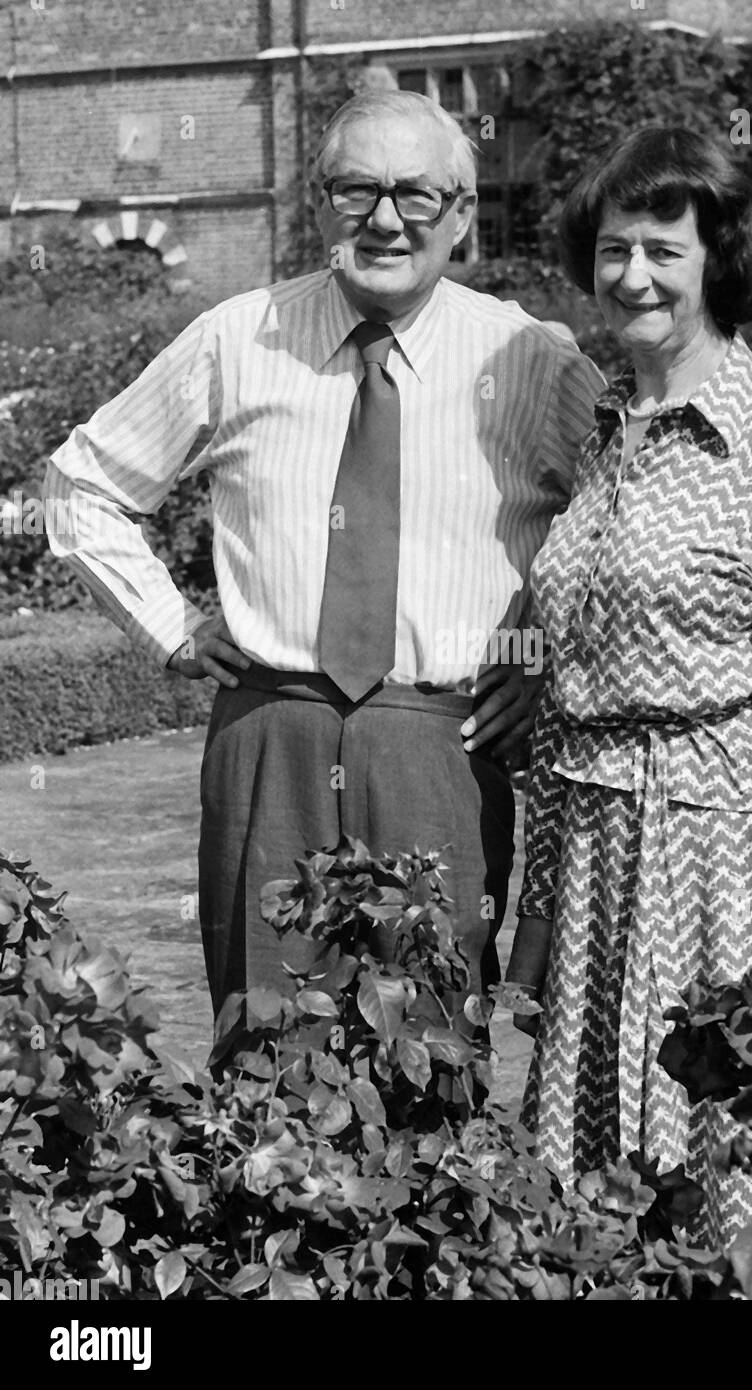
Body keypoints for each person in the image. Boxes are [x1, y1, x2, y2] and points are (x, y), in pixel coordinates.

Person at [44, 90, 604, 1022]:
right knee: (265, 1044)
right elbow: (78, 486)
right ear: (321, 201)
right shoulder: (237, 338)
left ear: (460, 214)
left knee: (433, 1053)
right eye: (357, 190)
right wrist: (173, 627)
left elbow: (630, 520)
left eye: (417, 195)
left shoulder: (527, 357)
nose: (386, 220)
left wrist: (546, 661)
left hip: (442, 749)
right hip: (273, 739)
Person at [505, 126, 752, 1245]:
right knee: (597, 1189)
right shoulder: (612, 426)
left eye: (664, 248)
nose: (634, 276)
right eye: (616, 248)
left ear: (717, 256)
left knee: (732, 1169)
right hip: (595, 864)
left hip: (720, 858)